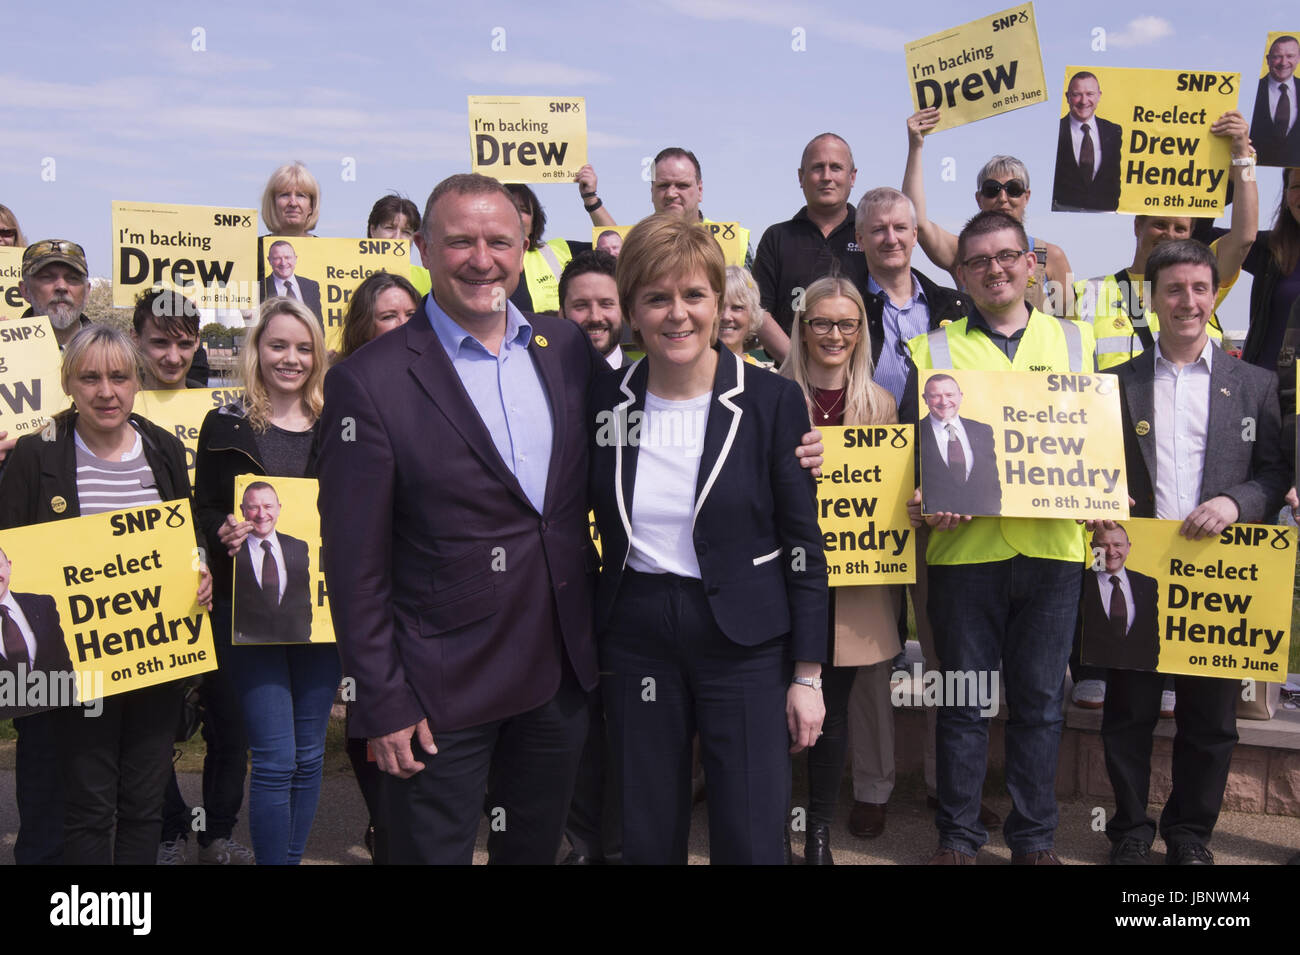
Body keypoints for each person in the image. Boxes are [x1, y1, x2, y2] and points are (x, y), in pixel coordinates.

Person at [317, 173, 603, 866]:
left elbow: (650, 426)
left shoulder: (565, 350)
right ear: (422, 246)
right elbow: (353, 564)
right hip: (437, 689)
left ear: (525, 244)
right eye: (460, 241)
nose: (483, 258)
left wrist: (782, 434)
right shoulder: (371, 379)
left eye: (500, 240)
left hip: (558, 675)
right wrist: (379, 699)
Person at [590, 213, 827, 865]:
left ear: (721, 305)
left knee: (752, 835)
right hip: (636, 633)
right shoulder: (604, 401)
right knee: (644, 830)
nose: (677, 314)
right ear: (633, 310)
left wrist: (809, 674)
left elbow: (804, 546)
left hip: (745, 638)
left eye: (693, 294)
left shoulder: (773, 402)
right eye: (657, 297)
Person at [901, 210, 1097, 865]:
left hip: (1054, 553)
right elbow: (913, 460)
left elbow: (1096, 442)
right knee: (963, 704)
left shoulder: (1077, 341)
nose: (995, 268)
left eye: (1008, 255)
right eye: (979, 260)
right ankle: (957, 837)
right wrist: (924, 499)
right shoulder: (934, 349)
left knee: (1042, 705)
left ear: (1031, 263)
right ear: (960, 273)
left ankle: (1034, 841)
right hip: (965, 555)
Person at [1102, 239, 1289, 865]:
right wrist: (1104, 516)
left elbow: (1271, 473)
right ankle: (1129, 831)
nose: (1187, 301)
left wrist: (1236, 503)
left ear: (1214, 298)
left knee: (1210, 720)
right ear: (1153, 299)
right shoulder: (1115, 384)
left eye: (1199, 289)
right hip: (1137, 566)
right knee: (1129, 712)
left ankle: (1189, 837)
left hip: (1218, 576)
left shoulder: (1256, 385)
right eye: (1174, 289)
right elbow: (1096, 472)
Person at [0, 324, 214, 865]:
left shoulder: (162, 449)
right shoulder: (34, 455)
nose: (106, 391)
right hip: (69, 671)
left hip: (152, 663)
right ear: (69, 384)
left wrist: (200, 570)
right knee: (83, 811)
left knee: (143, 806)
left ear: (136, 381)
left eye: (119, 377)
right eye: (89, 378)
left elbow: (185, 539)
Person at [194, 298, 338, 865]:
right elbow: (204, 505)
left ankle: (290, 860)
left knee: (309, 757)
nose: (291, 358)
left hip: (321, 613)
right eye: (278, 345)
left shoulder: (340, 422)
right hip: (245, 609)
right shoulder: (225, 422)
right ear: (257, 351)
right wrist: (221, 528)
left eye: (304, 348)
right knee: (275, 758)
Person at [780, 276, 898, 863]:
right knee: (780, 702)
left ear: (860, 332)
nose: (834, 334)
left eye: (846, 324)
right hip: (783, 576)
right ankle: (776, 825)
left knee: (832, 712)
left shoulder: (880, 403)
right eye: (822, 322)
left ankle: (818, 830)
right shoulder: (768, 393)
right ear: (803, 327)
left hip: (854, 580)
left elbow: (889, 492)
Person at [1073, 112, 1258, 371]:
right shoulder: (1084, 292)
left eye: (1180, 229)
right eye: (1159, 224)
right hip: (1116, 410)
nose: (1169, 235)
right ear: (1137, 225)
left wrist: (1244, 161)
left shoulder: (1201, 281)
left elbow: (1244, 237)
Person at [903, 115, 1073, 316]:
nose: (1002, 198)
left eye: (1013, 189)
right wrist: (916, 147)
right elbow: (915, 221)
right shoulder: (961, 252)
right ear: (979, 198)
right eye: (992, 190)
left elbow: (1069, 322)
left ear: (1026, 197)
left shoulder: (1053, 257)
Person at [752, 133, 865, 361]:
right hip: (789, 378)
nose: (826, 177)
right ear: (801, 177)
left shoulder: (871, 236)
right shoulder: (777, 238)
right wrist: (798, 367)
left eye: (835, 167)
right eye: (817, 168)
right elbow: (758, 311)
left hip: (861, 378)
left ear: (852, 177)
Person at [857, 187, 967, 405]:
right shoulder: (844, 309)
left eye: (900, 228)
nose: (891, 239)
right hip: (868, 435)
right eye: (879, 230)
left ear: (914, 235)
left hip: (938, 435)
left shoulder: (957, 309)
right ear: (860, 239)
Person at [0, 544, 73, 864]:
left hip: (50, 708)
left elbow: (62, 659)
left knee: (48, 782)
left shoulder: (41, 603)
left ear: (10, 566)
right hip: (16, 708)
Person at [232, 482, 312, 645]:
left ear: (279, 508)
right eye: (254, 507)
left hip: (297, 644)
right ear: (243, 510)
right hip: (250, 648)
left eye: (268, 506)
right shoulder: (234, 549)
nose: (262, 514)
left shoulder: (298, 547)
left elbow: (304, 600)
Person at [1241, 167, 1300, 375]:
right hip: (1270, 393)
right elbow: (1199, 233)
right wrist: (1236, 177)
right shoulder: (1268, 249)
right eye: (1296, 186)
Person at [917, 372, 1001, 516]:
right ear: (925, 399)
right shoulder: (913, 433)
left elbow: (991, 481)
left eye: (949, 395)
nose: (943, 402)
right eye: (935, 396)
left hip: (983, 522)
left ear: (960, 396)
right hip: (937, 527)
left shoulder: (983, 430)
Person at [1078, 525, 1159, 672]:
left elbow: (1152, 639)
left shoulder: (1147, 584)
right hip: (1091, 676)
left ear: (1128, 547)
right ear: (1092, 547)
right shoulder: (1079, 582)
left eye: (1117, 545)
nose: (1111, 552)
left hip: (1139, 676)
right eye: (1103, 545)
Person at [506, 183, 592, 315]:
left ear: (535, 218)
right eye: (508, 209)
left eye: (523, 209)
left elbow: (614, 243)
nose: (516, 215)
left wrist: (591, 198)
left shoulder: (561, 250)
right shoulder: (481, 261)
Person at [1052, 71, 1123, 213]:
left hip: (1104, 214)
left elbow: (1114, 178)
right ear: (1067, 97)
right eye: (1077, 94)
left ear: (1099, 96)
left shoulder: (1113, 131)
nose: (1084, 101)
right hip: (1063, 213)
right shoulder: (1054, 129)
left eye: (1090, 94)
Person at [17, 239, 92, 348]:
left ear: (87, 291)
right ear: (25, 290)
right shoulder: (6, 350)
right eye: (47, 277)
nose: (61, 287)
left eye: (72, 278)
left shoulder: (108, 353)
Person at [558, 249, 626, 368]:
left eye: (606, 304)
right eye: (581, 305)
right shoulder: (541, 382)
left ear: (624, 310)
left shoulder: (648, 383)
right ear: (561, 313)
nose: (595, 317)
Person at [131, 288, 210, 390]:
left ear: (197, 342)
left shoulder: (218, 405)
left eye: (184, 344)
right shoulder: (116, 404)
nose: (174, 359)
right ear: (135, 339)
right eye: (161, 343)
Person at [337, 271, 420, 360]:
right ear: (364, 327)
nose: (404, 323)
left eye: (410, 314)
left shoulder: (433, 365)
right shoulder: (349, 372)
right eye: (389, 317)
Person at [366, 192, 430, 298]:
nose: (397, 238)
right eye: (389, 228)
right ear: (373, 231)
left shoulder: (428, 279)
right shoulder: (346, 275)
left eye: (406, 232)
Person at [1252, 35, 1300, 167]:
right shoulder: (1251, 90)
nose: (1283, 62)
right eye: (1277, 56)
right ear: (1268, 59)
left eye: (1290, 56)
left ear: (1298, 58)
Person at [261, 240, 323, 323]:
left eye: (287, 257)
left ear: (295, 259)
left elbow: (318, 324)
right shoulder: (259, 288)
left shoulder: (311, 286)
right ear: (269, 260)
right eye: (277, 258)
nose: (283, 263)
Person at [261, 161, 320, 237]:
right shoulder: (253, 248)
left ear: (311, 206)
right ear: (273, 203)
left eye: (300, 195)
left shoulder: (327, 248)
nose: (293, 203)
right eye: (285, 195)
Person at [720, 266, 764, 359]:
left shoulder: (767, 372)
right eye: (720, 307)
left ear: (753, 315)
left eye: (737, 307)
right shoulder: (687, 372)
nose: (726, 316)